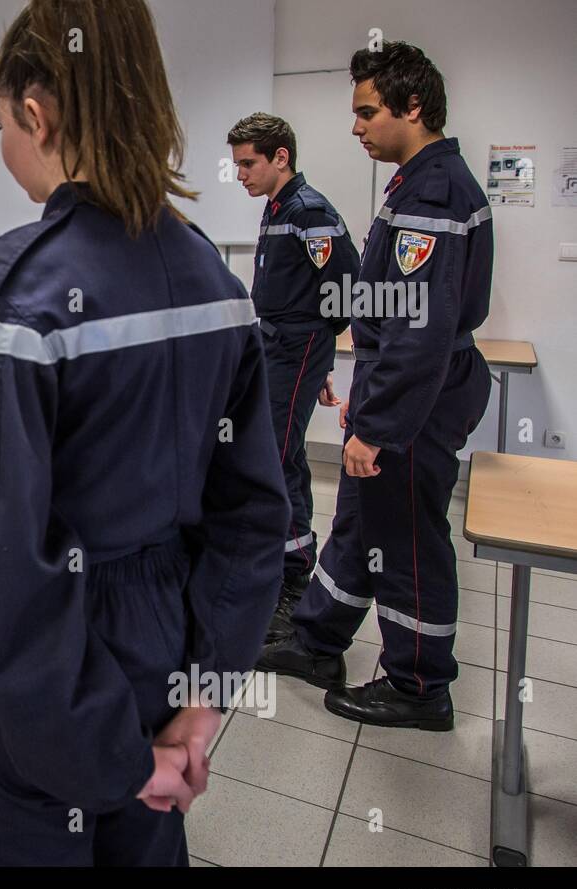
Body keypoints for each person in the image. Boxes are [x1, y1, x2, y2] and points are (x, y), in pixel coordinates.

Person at [0, 0, 288, 866]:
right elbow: (252, 518)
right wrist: (199, 703)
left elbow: (7, 566)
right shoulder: (214, 276)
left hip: (50, 673)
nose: (4, 145)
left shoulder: (12, 297)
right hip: (165, 643)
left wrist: (111, 756)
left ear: (37, 111)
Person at [257, 42, 493, 731]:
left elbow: (418, 330)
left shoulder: (434, 191)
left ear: (412, 107)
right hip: (404, 388)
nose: (356, 127)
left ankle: (420, 686)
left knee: (409, 539)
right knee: (362, 522)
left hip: (417, 401)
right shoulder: (418, 181)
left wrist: (377, 428)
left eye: (367, 112)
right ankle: (317, 641)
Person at [228, 112, 361, 638]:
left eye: (248, 164)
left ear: (281, 157)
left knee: (277, 457)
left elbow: (345, 287)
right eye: (236, 165)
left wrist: (317, 352)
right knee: (282, 452)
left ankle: (291, 581)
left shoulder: (309, 211)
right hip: (281, 345)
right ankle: (287, 564)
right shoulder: (278, 207)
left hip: (296, 344)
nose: (240, 175)